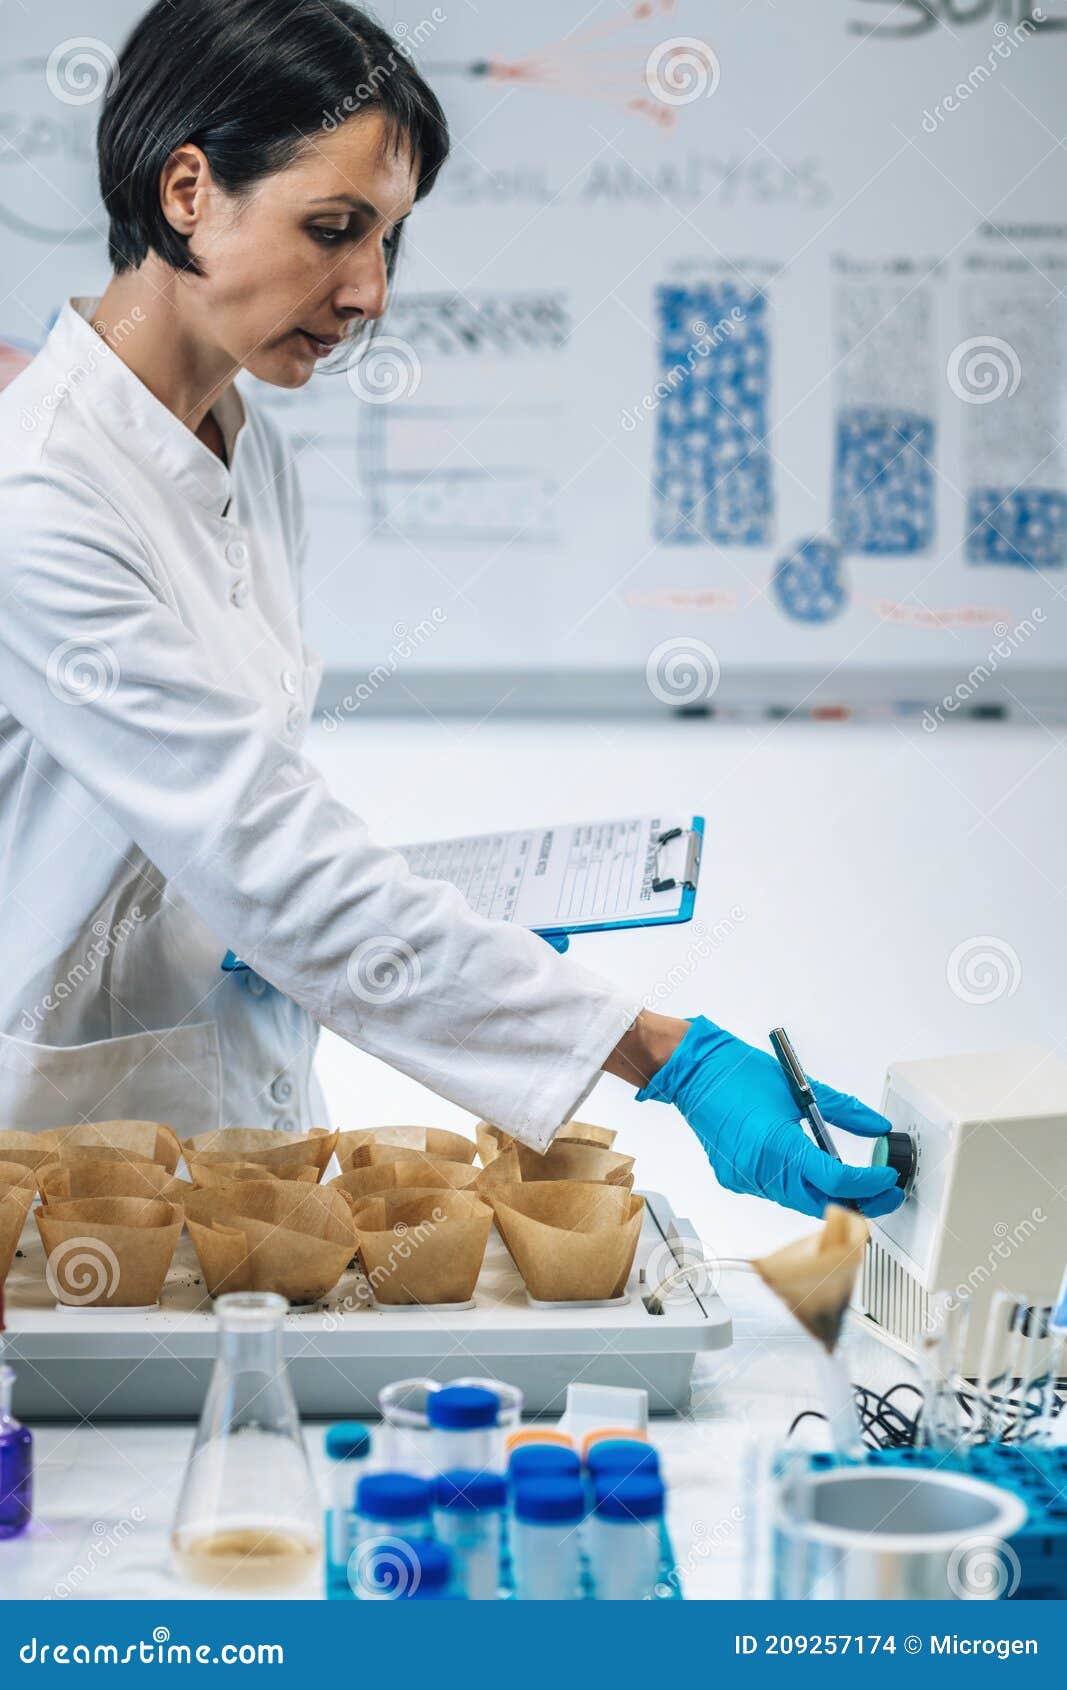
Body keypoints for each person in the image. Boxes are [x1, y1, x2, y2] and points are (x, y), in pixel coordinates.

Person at [0, 0, 902, 1221]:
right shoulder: (42, 492)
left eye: (387, 240)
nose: (369, 291)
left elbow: (223, 838)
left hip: (225, 1144)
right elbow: (266, 858)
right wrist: (656, 1051)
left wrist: (470, 944)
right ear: (186, 190)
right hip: (63, 1179)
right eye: (333, 229)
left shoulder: (242, 453)